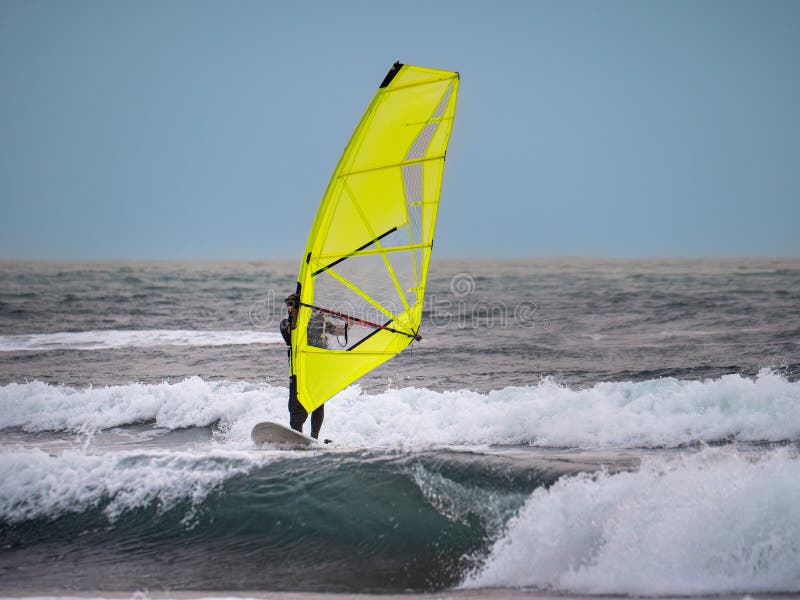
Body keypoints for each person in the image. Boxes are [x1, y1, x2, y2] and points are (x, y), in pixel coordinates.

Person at [280, 292, 344, 439]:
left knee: (317, 401)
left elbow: (337, 331)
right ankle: (298, 435)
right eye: (289, 305)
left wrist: (347, 323)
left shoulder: (318, 321)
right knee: (295, 406)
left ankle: (314, 437)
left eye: (293, 304)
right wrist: (297, 312)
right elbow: (292, 333)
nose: (290, 308)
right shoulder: (285, 323)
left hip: (318, 366)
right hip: (298, 369)